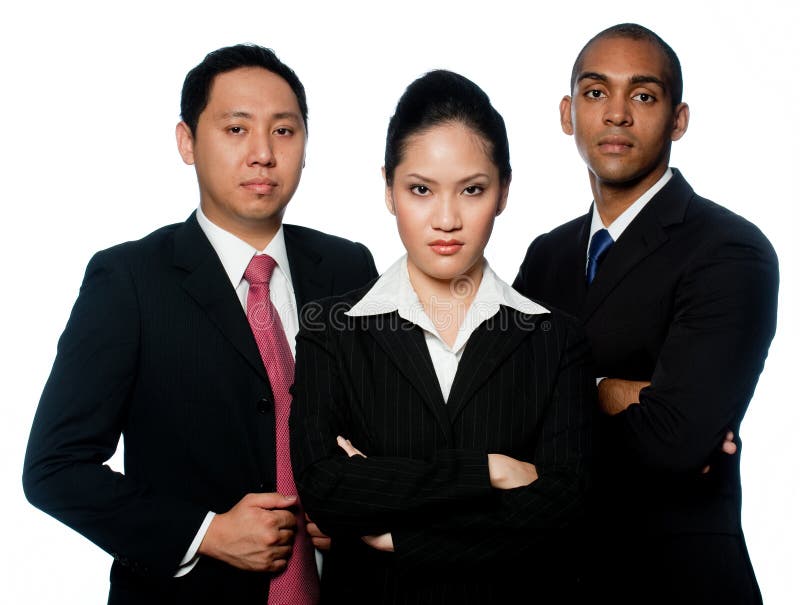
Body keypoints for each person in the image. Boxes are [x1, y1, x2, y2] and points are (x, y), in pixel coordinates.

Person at [22, 44, 377, 605]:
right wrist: (204, 533)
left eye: (284, 131)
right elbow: (53, 468)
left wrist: (359, 513)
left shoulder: (348, 267)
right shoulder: (129, 279)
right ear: (187, 142)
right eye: (236, 129)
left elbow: (379, 432)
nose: (263, 153)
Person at [290, 69, 594, 604]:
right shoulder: (330, 328)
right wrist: (489, 470)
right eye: (421, 190)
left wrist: (404, 532)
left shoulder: (554, 337)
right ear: (388, 189)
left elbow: (562, 508)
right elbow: (327, 491)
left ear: (503, 192)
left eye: (472, 190)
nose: (447, 219)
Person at [513, 23, 779, 604]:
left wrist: (554, 407)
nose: (616, 115)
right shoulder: (546, 255)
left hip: (676, 582)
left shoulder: (729, 249)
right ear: (567, 113)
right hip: (553, 580)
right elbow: (500, 410)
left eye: (642, 95)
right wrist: (618, 390)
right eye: (594, 92)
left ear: (678, 119)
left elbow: (676, 440)